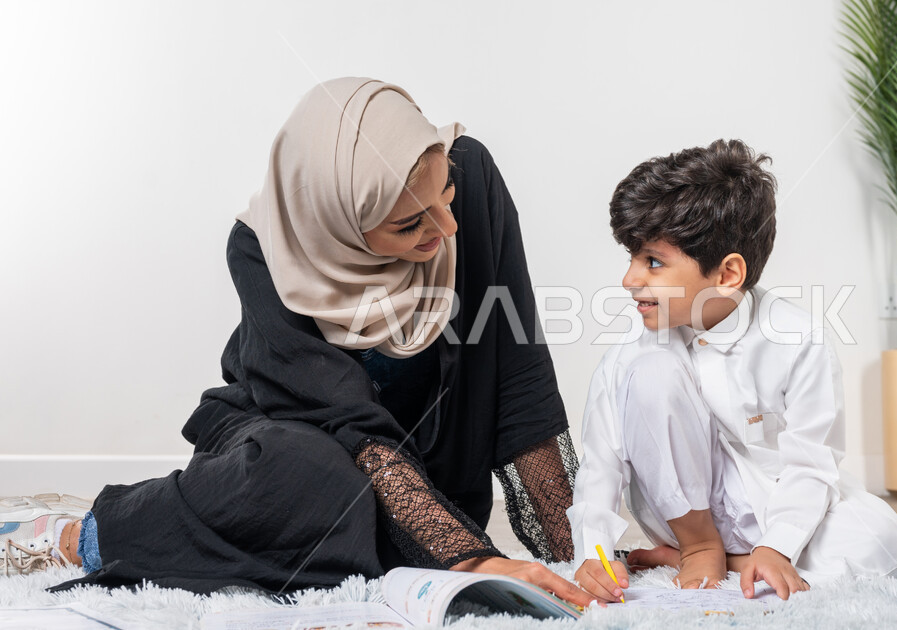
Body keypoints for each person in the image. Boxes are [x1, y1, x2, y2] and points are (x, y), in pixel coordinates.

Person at [1, 77, 590, 606]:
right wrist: (470, 558)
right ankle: (85, 536)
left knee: (364, 527)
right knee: (310, 479)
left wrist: (579, 552)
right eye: (409, 223)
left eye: (447, 198)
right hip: (295, 432)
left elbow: (517, 370)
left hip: (426, 453)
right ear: (340, 220)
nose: (446, 228)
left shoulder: (469, 171)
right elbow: (349, 422)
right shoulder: (261, 249)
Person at [567, 139, 897, 602]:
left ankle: (735, 559)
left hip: (768, 505)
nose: (629, 279)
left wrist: (778, 545)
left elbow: (811, 461)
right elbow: (601, 464)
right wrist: (593, 551)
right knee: (651, 372)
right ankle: (696, 546)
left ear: (727, 275)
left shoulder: (797, 339)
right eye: (632, 257)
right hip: (679, 511)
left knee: (882, 541)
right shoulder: (632, 354)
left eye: (652, 261)